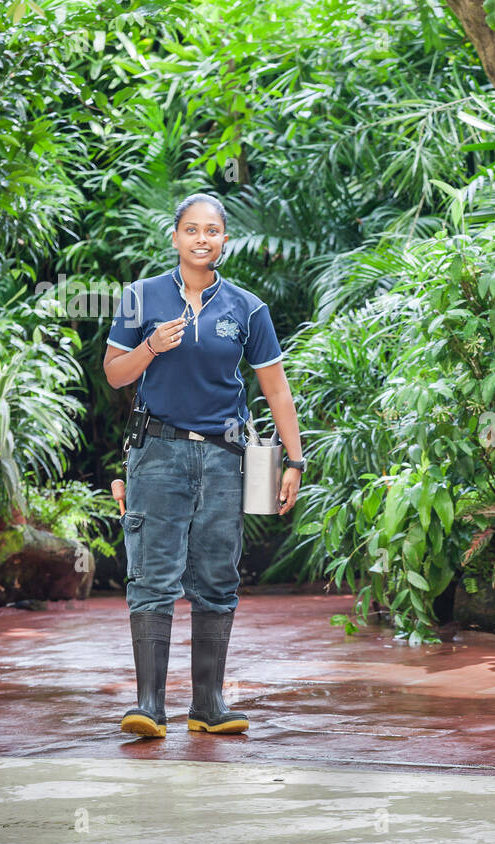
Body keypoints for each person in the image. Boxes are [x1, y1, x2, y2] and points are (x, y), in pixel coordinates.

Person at [102, 192, 305, 737]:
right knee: (152, 574)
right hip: (157, 452)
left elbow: (276, 388)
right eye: (191, 230)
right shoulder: (138, 298)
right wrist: (149, 347)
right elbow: (115, 374)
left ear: (224, 241)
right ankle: (149, 705)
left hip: (225, 456)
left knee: (217, 575)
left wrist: (294, 459)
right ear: (174, 237)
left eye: (211, 231)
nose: (201, 239)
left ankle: (209, 705)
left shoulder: (247, 308)